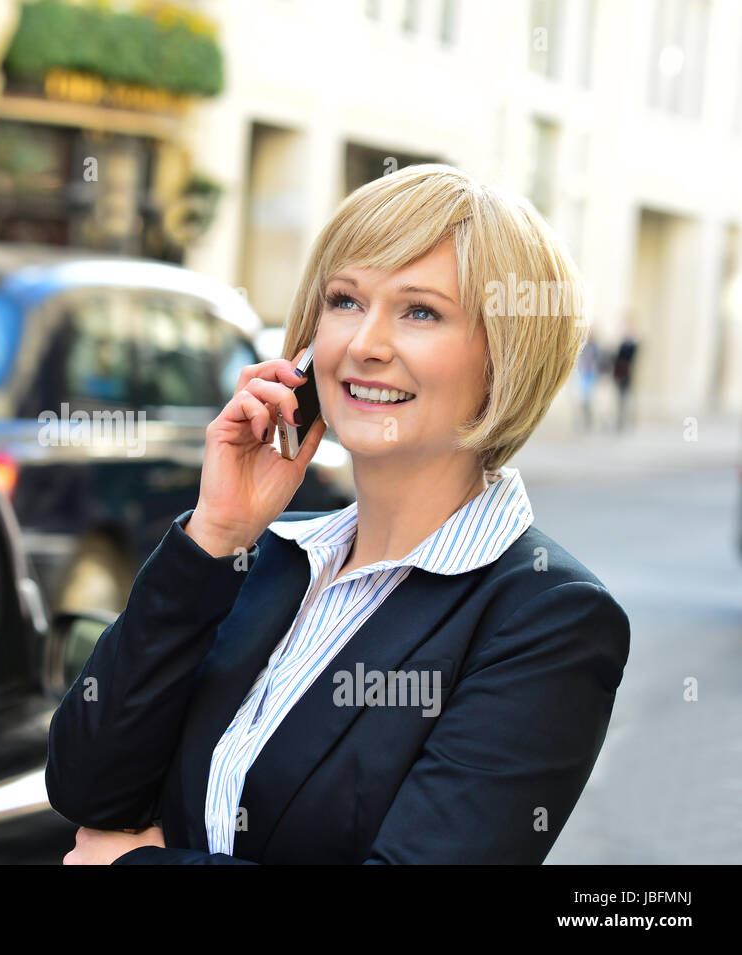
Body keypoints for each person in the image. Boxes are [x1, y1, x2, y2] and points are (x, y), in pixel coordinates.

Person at [47, 164, 631, 864]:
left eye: (420, 311)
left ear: (504, 359)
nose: (365, 344)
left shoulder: (550, 618)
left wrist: (135, 865)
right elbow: (85, 784)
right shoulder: (267, 561)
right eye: (346, 301)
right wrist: (217, 533)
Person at [611, 316, 639, 432]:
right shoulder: (622, 343)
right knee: (620, 400)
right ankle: (620, 422)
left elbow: (630, 358)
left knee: (628, 399)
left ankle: (629, 422)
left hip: (627, 374)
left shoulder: (633, 344)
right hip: (619, 374)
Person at [575, 337, 599, 431]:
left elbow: (597, 359)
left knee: (588, 399)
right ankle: (582, 420)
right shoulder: (582, 346)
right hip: (582, 374)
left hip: (590, 374)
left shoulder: (594, 346)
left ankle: (588, 421)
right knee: (581, 400)